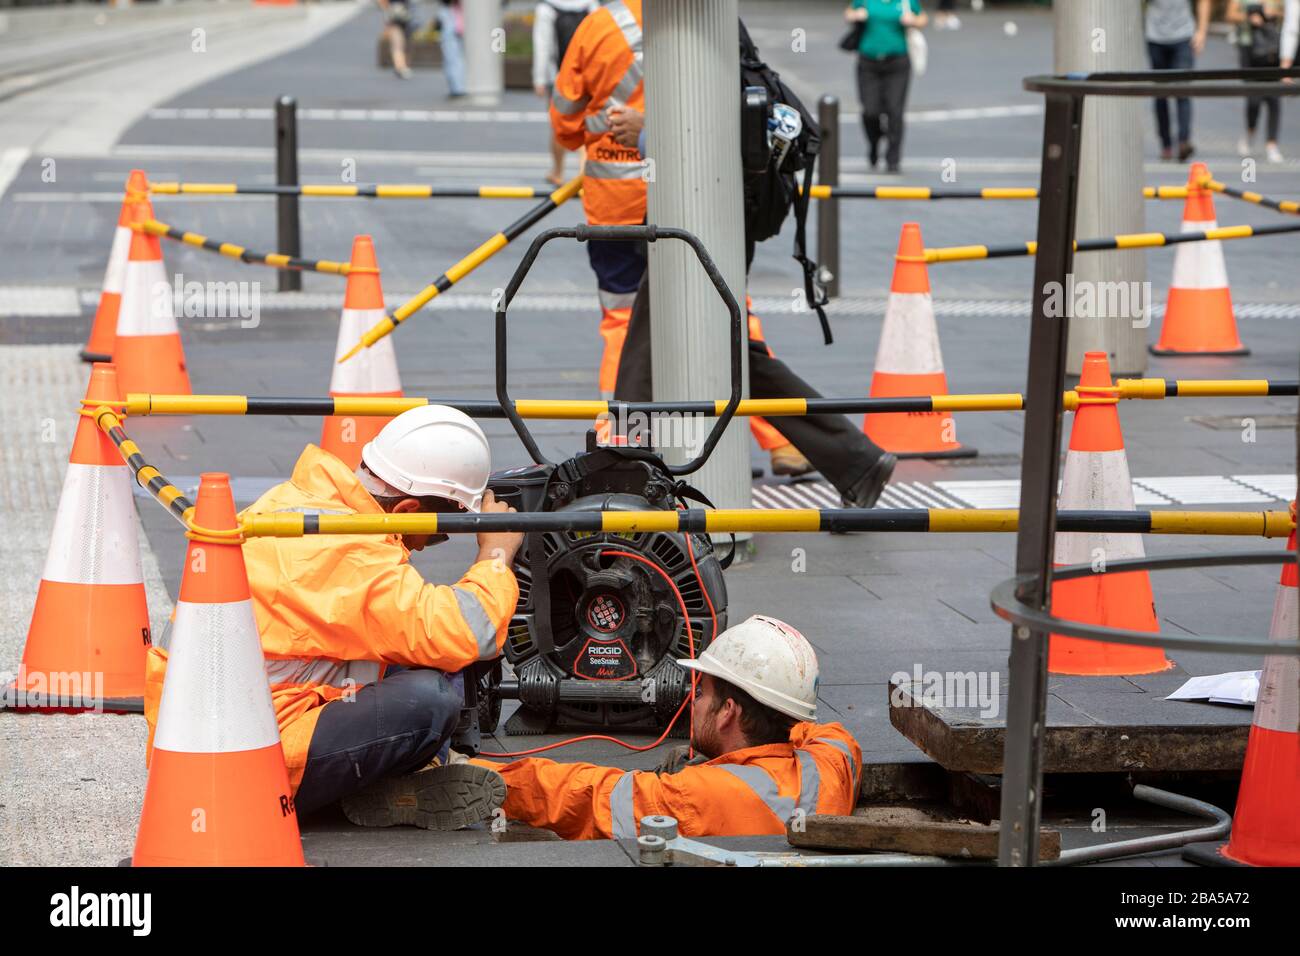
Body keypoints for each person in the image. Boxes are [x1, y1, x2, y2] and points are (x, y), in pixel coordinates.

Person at [143, 406, 525, 830]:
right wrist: (495, 554)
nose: (427, 544)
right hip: (235, 758)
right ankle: (379, 784)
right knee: (430, 702)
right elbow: (468, 632)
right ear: (407, 509)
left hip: (218, 725)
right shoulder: (348, 553)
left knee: (428, 656)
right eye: (436, 532)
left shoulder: (309, 505)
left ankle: (389, 780)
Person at [605, 45, 898, 509]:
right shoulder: (732, 61)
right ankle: (855, 460)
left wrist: (646, 132)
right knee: (730, 354)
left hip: (700, 226)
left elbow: (699, 142)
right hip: (717, 227)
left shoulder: (701, 54)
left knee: (647, 350)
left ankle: (619, 476)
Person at [474, 616, 862, 839]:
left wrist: (489, 779)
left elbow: (592, 795)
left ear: (728, 712)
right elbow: (821, 733)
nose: (693, 699)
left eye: (703, 692)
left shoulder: (699, 794)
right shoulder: (831, 763)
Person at [846, 0, 928, 174]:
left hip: (897, 62)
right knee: (870, 111)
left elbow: (923, 19)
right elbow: (848, 13)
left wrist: (912, 20)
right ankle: (874, 142)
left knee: (895, 110)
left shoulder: (905, 2)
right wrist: (857, 15)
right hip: (868, 62)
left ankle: (893, 158)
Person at [533, 1, 598, 185]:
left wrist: (539, 78)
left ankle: (558, 171)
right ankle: (583, 169)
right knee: (588, 122)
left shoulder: (546, 8)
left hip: (559, 77)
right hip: (586, 74)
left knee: (558, 123)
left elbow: (542, 46)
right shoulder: (590, 5)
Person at [1228, 0, 1300, 163]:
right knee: (1254, 102)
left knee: (1274, 102)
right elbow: (1230, 15)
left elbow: (1290, 17)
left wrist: (1271, 15)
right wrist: (1250, 18)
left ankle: (1271, 145)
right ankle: (1249, 133)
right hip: (1251, 52)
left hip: (1273, 53)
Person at [1145, 0, 1212, 162]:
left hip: (1183, 37)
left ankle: (1183, 142)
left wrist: (1202, 32)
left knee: (1183, 90)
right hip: (1155, 37)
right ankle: (1166, 144)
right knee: (1160, 93)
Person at [377, 0, 416, 80]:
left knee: (404, 44)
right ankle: (400, 67)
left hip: (405, 17)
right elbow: (383, 2)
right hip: (395, 18)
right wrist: (387, 12)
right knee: (397, 44)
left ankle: (403, 65)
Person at [438, 0, 467, 99]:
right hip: (453, 19)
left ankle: (458, 87)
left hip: (455, 19)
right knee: (453, 57)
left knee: (453, 57)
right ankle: (457, 87)